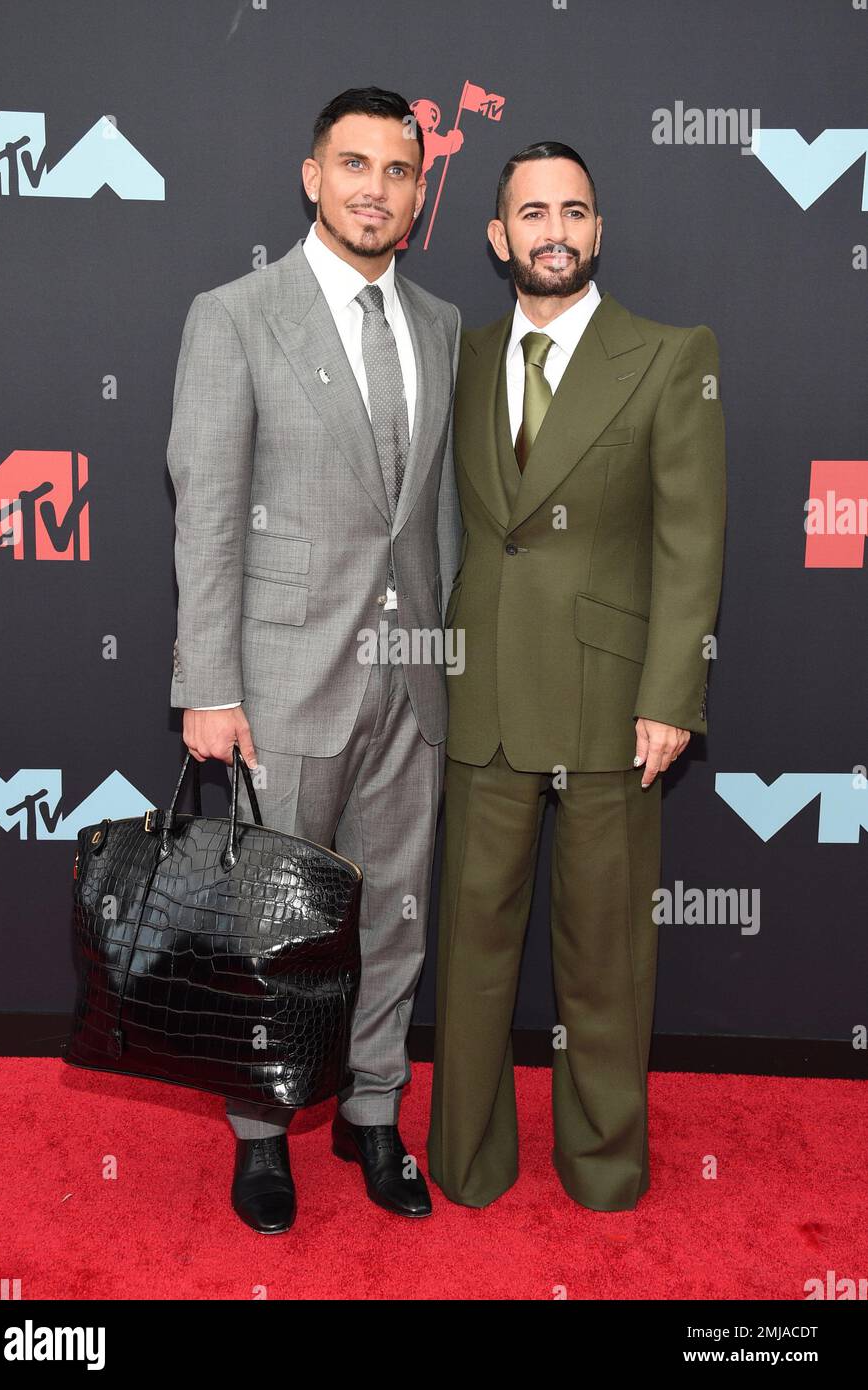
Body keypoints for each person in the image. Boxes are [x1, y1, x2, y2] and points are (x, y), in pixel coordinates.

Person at [166, 87, 462, 1234]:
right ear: (311, 176)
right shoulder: (234, 315)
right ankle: (260, 1130)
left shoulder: (439, 324)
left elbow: (431, 517)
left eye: (396, 170)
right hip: (281, 682)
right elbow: (207, 510)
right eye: (353, 164)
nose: (374, 189)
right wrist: (208, 684)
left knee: (394, 917)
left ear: (418, 191)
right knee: (274, 925)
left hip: (411, 682)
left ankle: (372, 1110)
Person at [427, 141, 726, 1212]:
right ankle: (465, 1158)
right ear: (496, 236)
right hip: (481, 696)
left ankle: (602, 1165)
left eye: (573, 211)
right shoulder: (459, 356)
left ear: (597, 230)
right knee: (469, 954)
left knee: (604, 957)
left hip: (611, 701)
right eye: (532, 213)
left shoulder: (668, 355)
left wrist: (670, 695)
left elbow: (691, 542)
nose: (553, 231)